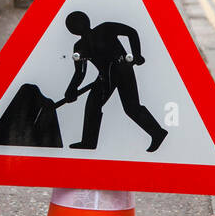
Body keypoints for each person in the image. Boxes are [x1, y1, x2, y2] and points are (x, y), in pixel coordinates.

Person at [62, 11, 167, 152]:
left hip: (123, 69)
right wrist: (71, 89)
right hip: (104, 77)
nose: (76, 27)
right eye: (73, 25)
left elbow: (131, 32)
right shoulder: (80, 46)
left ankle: (157, 133)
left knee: (131, 108)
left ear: (86, 21)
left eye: (78, 23)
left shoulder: (105, 28)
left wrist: (137, 54)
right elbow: (80, 72)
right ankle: (88, 141)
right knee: (92, 105)